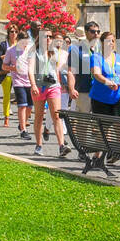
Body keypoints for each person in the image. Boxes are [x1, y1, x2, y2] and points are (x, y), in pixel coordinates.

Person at [31, 29, 73, 157]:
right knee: (39, 116)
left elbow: (57, 68)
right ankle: (39, 145)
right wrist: (33, 84)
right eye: (46, 36)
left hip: (53, 86)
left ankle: (61, 146)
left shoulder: (54, 52)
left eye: (50, 36)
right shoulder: (34, 52)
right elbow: (29, 69)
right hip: (38, 87)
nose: (49, 38)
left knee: (56, 115)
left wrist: (63, 84)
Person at [4, 27, 35, 140]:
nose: (25, 45)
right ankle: (23, 130)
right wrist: (13, 68)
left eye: (27, 43)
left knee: (30, 106)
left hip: (29, 81)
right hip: (18, 82)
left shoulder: (30, 51)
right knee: (22, 105)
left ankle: (22, 123)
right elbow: (4, 66)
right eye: (24, 43)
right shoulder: (11, 51)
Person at [89, 31, 120, 116]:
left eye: (113, 41)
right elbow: (96, 74)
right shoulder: (96, 57)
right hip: (100, 98)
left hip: (118, 98)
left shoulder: (119, 57)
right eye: (108, 41)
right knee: (105, 128)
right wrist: (107, 82)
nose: (111, 43)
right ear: (102, 42)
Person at [69, 22, 101, 113]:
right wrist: (71, 88)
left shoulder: (101, 49)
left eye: (98, 32)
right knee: (85, 121)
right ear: (86, 32)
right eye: (93, 31)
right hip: (84, 90)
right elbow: (71, 71)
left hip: (100, 90)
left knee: (98, 121)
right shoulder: (76, 49)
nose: (96, 34)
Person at [0, 22, 17, 127]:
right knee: (7, 96)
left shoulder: (19, 44)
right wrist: (8, 55)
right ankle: (6, 117)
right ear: (8, 33)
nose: (14, 33)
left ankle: (24, 119)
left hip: (18, 74)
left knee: (22, 96)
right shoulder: (4, 44)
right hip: (6, 73)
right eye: (12, 31)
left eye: (16, 31)